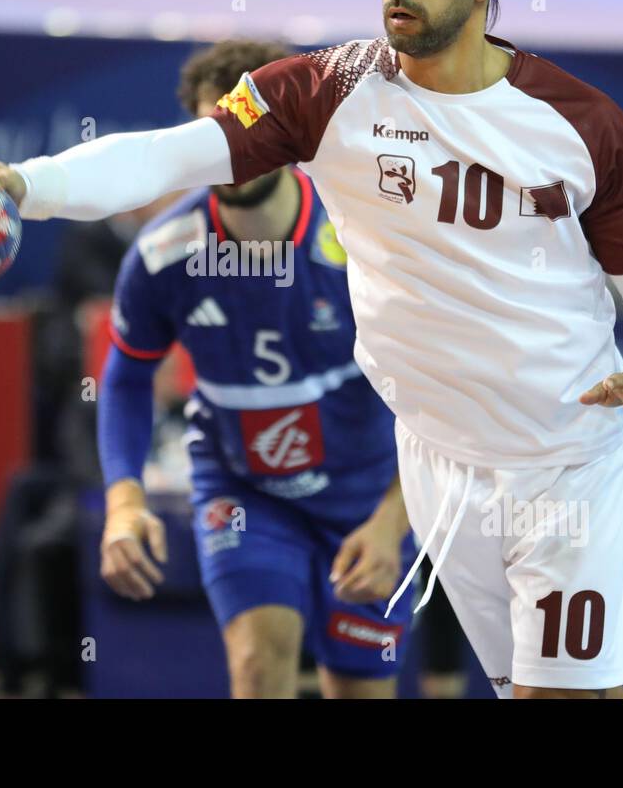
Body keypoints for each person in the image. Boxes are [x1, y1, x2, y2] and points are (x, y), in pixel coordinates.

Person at [0, 0, 623, 699]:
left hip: (562, 457)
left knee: (563, 696)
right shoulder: (329, 90)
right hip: (440, 462)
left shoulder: (586, 126)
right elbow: (164, 154)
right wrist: (19, 183)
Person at [97, 40, 415, 699]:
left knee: (360, 689)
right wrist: (124, 501)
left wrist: (393, 523)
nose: (233, 151)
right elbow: (126, 378)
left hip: (365, 496)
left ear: (288, 132)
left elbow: (440, 398)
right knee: (256, 663)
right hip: (245, 493)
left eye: (248, 129)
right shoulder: (164, 257)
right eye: (214, 133)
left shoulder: (365, 238)